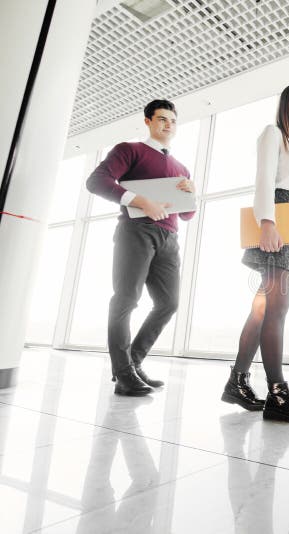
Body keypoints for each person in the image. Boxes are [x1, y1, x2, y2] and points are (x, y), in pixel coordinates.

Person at [220, 82, 289, 422]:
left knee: (264, 307)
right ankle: (277, 392)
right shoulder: (273, 134)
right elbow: (263, 179)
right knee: (277, 305)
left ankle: (237, 382)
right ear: (287, 104)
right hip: (278, 220)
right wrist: (266, 221)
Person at [86, 99, 195, 396]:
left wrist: (191, 193)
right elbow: (96, 181)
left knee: (169, 303)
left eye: (172, 120)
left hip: (170, 238)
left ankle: (132, 363)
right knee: (126, 299)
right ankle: (123, 374)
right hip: (136, 231)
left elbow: (187, 214)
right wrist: (140, 200)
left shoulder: (182, 168)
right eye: (161, 119)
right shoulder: (129, 150)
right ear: (148, 121)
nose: (168, 125)